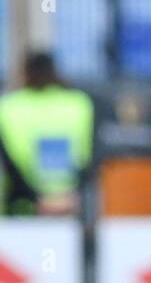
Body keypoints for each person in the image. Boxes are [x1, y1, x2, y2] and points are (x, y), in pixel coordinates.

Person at [0, 52, 93, 216]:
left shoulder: (8, 106)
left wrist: (37, 199)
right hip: (70, 205)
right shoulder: (79, 103)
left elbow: (9, 163)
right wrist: (68, 196)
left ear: (25, 73)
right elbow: (88, 157)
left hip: (22, 207)